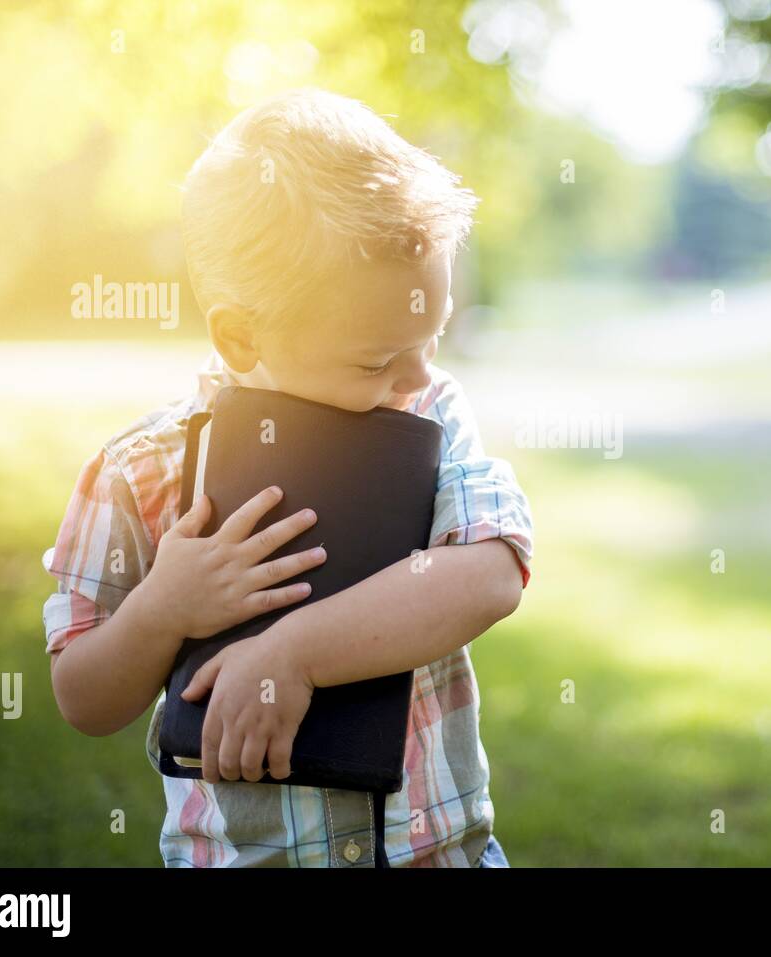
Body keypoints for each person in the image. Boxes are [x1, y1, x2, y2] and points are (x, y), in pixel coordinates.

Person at [41, 88, 532, 868]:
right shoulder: (141, 470)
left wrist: (294, 652)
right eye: (376, 359)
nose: (417, 373)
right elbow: (84, 697)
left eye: (431, 335)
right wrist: (162, 609)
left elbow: (491, 574)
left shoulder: (433, 416)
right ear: (241, 335)